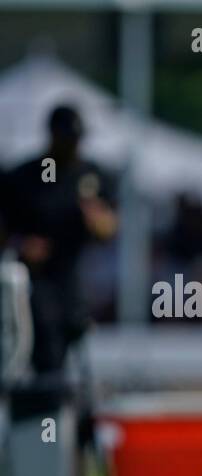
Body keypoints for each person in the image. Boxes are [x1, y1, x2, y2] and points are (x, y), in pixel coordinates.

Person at [0, 104, 117, 376]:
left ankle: (64, 405)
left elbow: (108, 230)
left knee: (72, 334)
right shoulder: (25, 177)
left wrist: (96, 218)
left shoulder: (91, 175)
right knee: (44, 340)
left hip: (72, 276)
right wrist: (21, 245)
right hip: (32, 279)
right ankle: (44, 405)